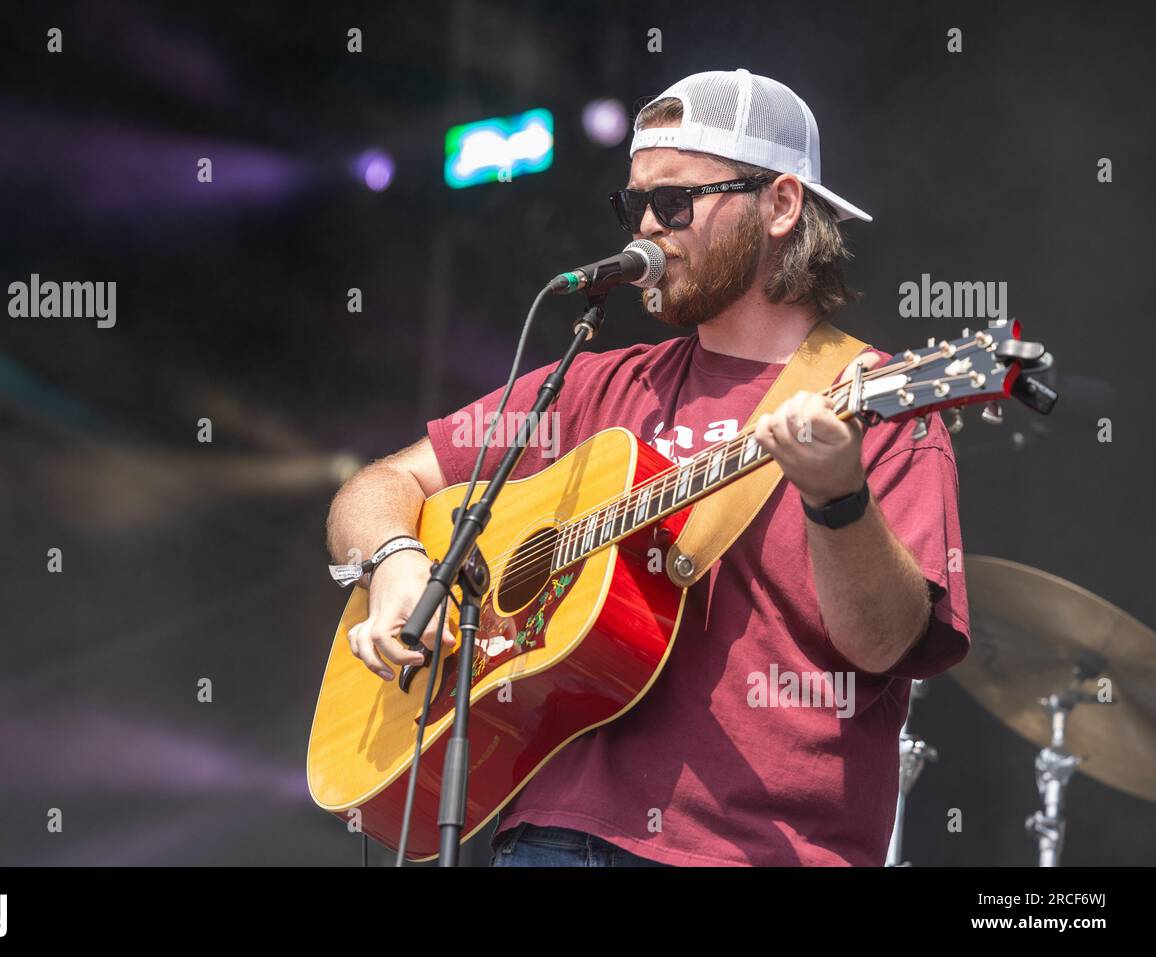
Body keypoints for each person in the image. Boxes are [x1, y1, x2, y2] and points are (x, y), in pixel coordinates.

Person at [324, 69, 969, 866]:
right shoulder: (597, 382)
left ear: (781, 204)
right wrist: (394, 561)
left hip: (757, 851)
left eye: (675, 203)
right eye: (635, 206)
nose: (648, 231)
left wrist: (836, 497)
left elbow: (882, 646)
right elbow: (378, 485)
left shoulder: (876, 404)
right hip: (546, 838)